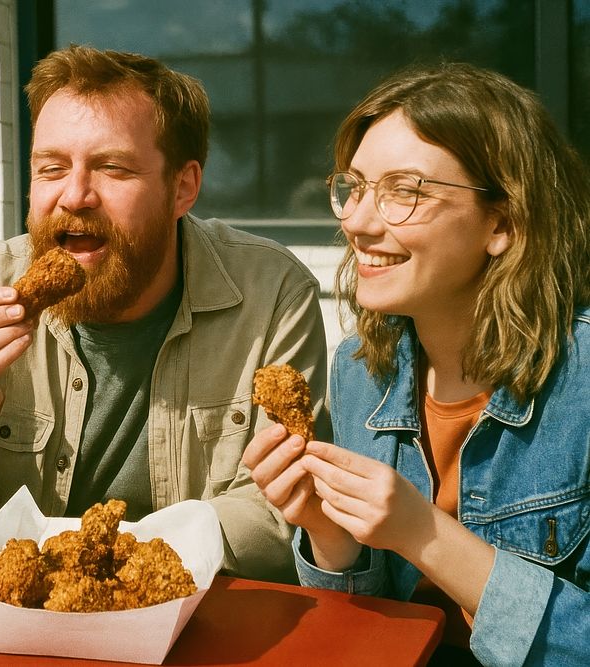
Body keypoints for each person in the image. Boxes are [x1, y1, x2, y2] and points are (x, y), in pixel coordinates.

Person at [0, 45, 329, 582]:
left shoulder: (272, 292)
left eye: (112, 168)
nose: (74, 196)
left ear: (183, 186)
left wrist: (107, 559)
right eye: (51, 168)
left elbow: (285, 513)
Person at [243, 62, 590, 665]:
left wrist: (421, 533)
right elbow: (368, 625)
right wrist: (330, 538)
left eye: (404, 191)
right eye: (354, 187)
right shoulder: (360, 371)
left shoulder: (580, 381)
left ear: (501, 223)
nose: (355, 220)